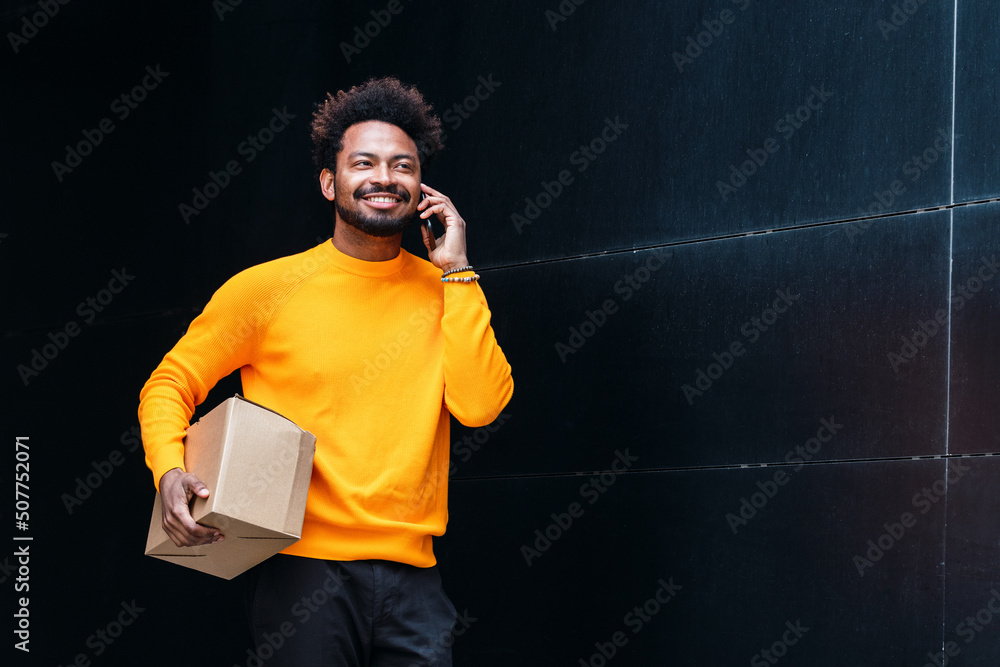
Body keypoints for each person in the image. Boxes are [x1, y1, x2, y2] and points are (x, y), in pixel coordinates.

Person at [138, 76, 514, 666]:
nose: (383, 178)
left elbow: (481, 405)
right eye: (363, 162)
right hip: (301, 574)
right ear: (328, 181)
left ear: (421, 188)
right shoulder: (266, 289)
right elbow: (170, 382)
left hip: (416, 579)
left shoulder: (447, 289)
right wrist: (169, 467)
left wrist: (459, 272)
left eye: (402, 165)